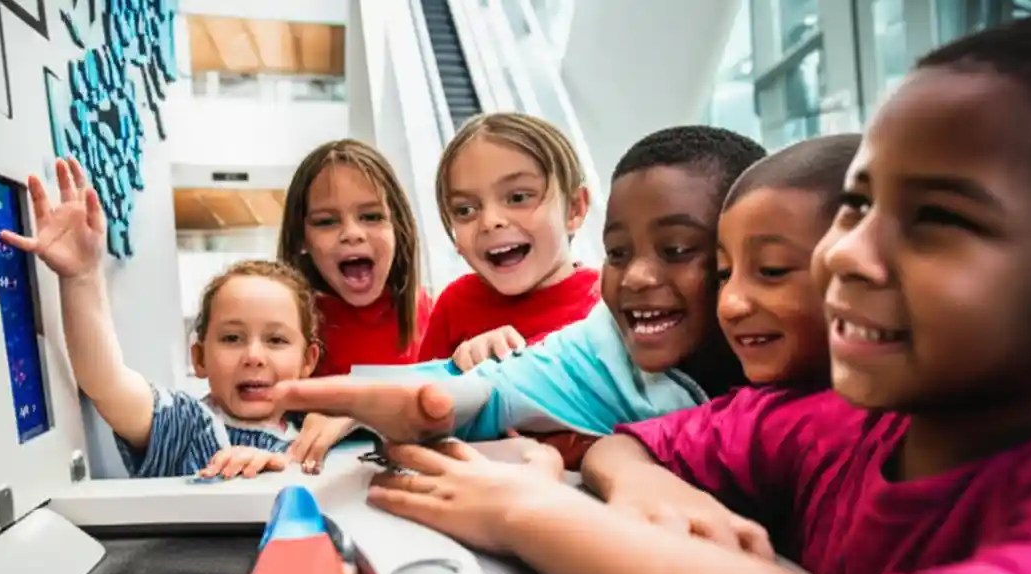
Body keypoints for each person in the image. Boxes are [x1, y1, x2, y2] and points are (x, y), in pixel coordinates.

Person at [356, 6, 1031, 574]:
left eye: (940, 219)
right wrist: (645, 483)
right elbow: (631, 443)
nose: (845, 252)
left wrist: (531, 514)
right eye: (859, 205)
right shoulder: (827, 422)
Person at [274, 126, 764, 466]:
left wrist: (609, 461)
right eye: (617, 252)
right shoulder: (602, 341)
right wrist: (376, 405)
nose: (635, 276)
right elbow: (486, 390)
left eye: (676, 249)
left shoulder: (800, 404)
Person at [583, 133, 859, 539]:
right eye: (724, 274)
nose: (729, 303)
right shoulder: (765, 417)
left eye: (772, 270)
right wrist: (640, 481)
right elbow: (618, 449)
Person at [1, 161, 318, 479]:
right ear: (198, 357)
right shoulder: (185, 422)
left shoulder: (317, 438)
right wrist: (82, 277)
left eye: (276, 340)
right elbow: (105, 382)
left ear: (308, 360)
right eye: (232, 338)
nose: (253, 357)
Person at [276, 139, 433, 470]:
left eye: (372, 216)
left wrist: (358, 409)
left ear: (399, 228)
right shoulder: (284, 325)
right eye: (326, 221)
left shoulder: (429, 312)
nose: (352, 233)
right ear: (301, 238)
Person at [418, 113, 601, 371]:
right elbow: (417, 401)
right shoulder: (455, 305)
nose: (490, 221)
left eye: (518, 198)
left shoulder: (607, 302)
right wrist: (455, 369)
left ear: (574, 209)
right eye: (466, 210)